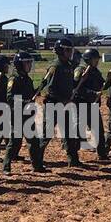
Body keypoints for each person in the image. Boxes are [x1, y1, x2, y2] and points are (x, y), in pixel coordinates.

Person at [31, 38, 80, 169]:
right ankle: (37, 162)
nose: (70, 53)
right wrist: (62, 100)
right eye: (68, 50)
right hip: (54, 104)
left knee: (70, 133)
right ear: (60, 51)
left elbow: (70, 84)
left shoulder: (69, 66)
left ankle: (73, 159)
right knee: (47, 134)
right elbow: (50, 88)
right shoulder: (55, 66)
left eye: (71, 50)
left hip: (66, 104)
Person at [1, 51, 37, 173]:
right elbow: (10, 97)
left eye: (30, 63)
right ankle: (6, 166)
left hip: (28, 114)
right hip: (17, 114)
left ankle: (37, 166)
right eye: (27, 63)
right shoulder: (14, 79)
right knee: (14, 142)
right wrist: (24, 101)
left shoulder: (27, 79)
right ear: (20, 64)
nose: (30, 65)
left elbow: (31, 94)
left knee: (33, 141)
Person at [73, 47, 108, 159]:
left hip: (93, 105)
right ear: (88, 59)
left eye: (97, 59)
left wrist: (108, 82)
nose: (97, 61)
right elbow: (76, 87)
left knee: (98, 130)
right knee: (79, 131)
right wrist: (93, 93)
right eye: (94, 59)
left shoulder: (95, 71)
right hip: (82, 104)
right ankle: (73, 154)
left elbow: (102, 85)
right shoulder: (81, 69)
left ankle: (102, 154)